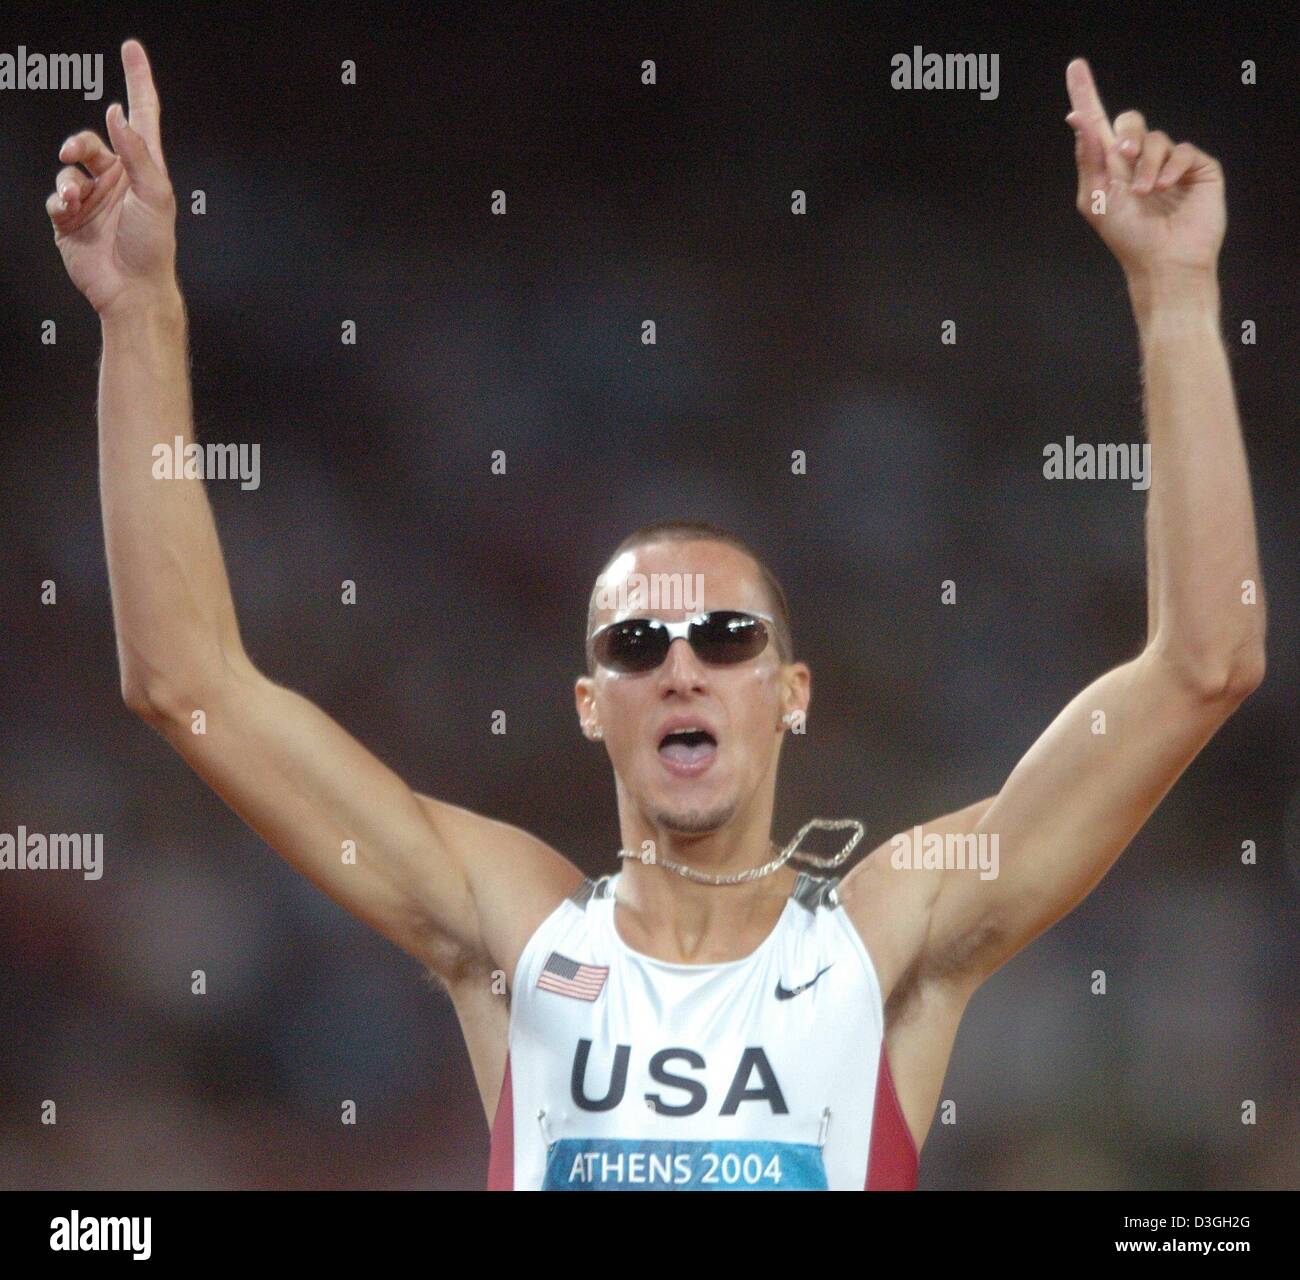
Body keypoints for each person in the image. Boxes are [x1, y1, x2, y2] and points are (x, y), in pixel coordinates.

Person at [48, 41, 1264, 1190]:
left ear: (792, 690)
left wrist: (1173, 294)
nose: (680, 663)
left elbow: (1204, 665)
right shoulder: (510, 932)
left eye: (726, 636)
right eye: (637, 643)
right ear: (591, 704)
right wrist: (139, 311)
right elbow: (187, 684)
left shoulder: (889, 938)